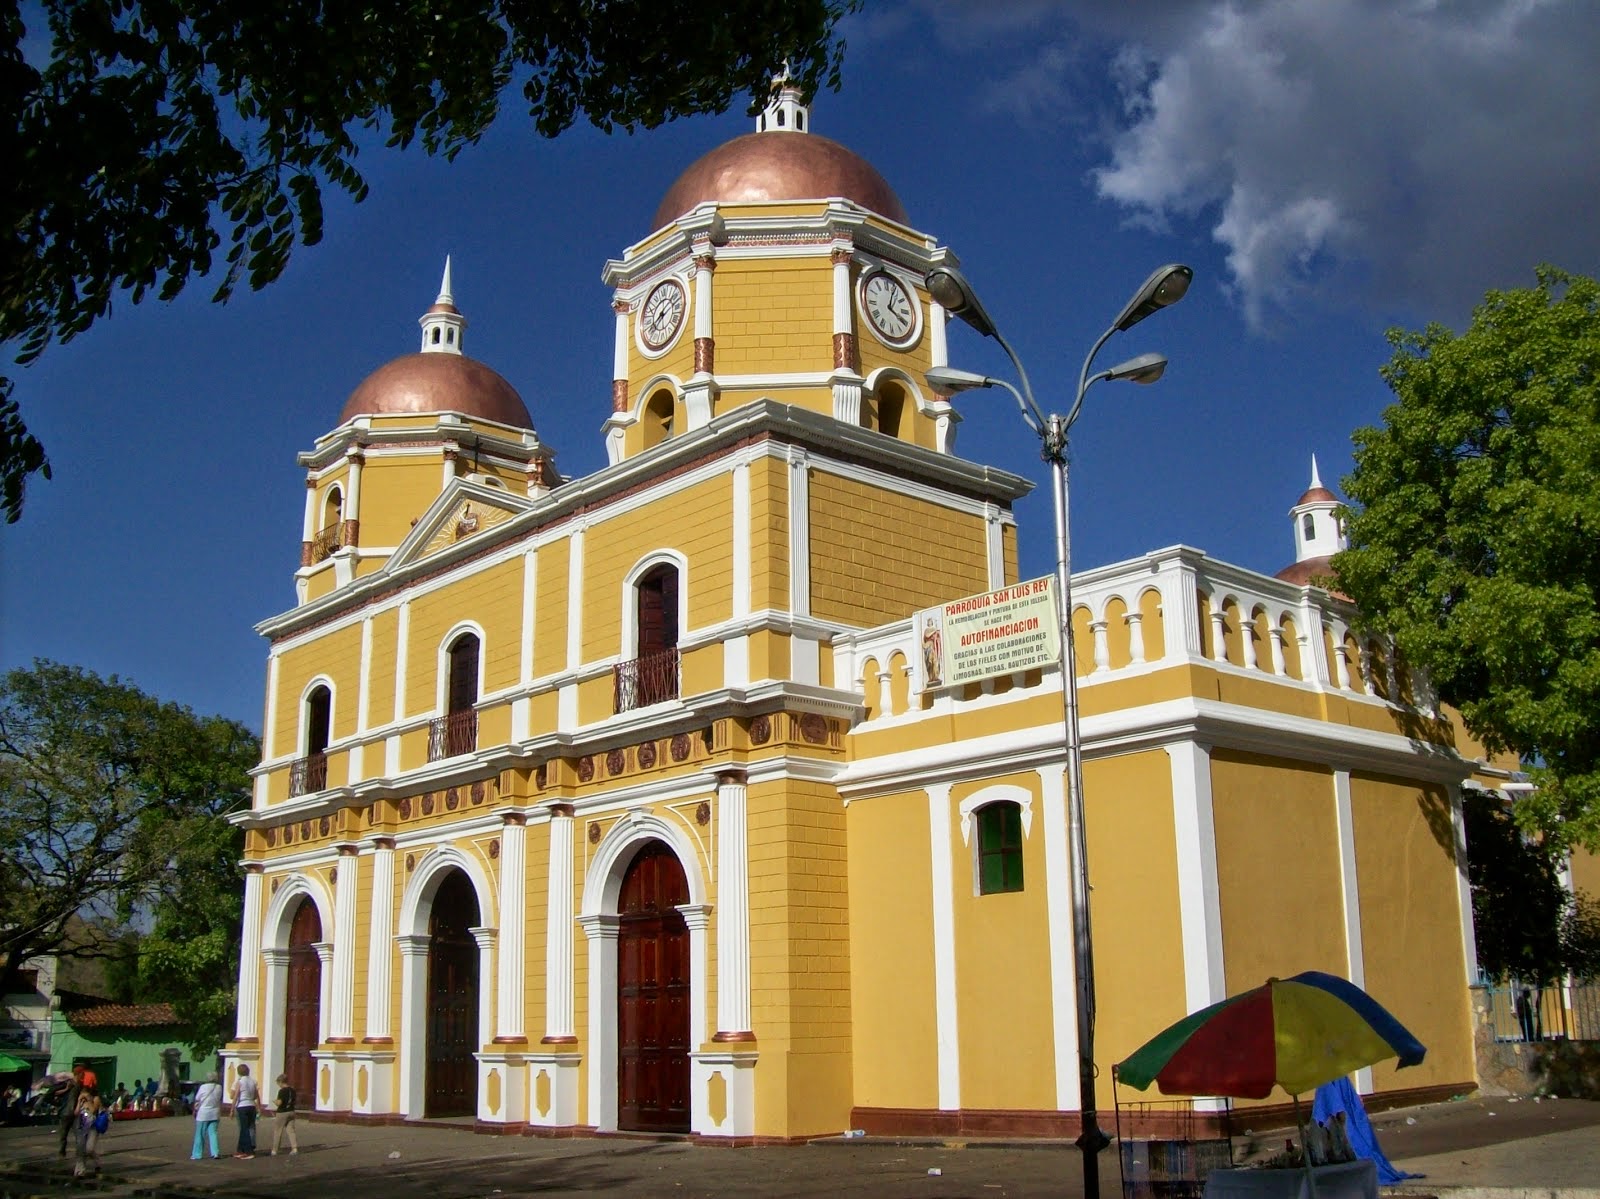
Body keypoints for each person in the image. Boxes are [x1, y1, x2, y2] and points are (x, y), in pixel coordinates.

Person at [190, 1072, 222, 1160]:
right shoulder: (219, 1087)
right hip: (215, 1112)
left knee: (200, 1134)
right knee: (213, 1134)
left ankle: (197, 1154)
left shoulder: (203, 1087)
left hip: (203, 1113)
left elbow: (197, 1098)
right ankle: (215, 1152)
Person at [73, 1090, 105, 1178]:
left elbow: (93, 1110)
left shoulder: (95, 1099)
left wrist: (89, 1100)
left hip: (93, 1127)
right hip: (82, 1128)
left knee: (89, 1149)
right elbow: (76, 1113)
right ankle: (80, 1171)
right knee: (81, 1150)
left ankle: (98, 1163)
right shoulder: (82, 1102)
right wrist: (79, 1102)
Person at [55, 1065, 85, 1157]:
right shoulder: (68, 1083)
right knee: (63, 1134)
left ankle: (79, 1152)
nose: (83, 1075)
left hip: (75, 1112)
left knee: (78, 1134)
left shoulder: (80, 1085)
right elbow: (56, 1093)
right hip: (66, 1112)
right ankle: (62, 1152)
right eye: (82, 1074)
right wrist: (66, 1089)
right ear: (78, 1074)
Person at [231, 1063, 260, 1158]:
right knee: (249, 1127)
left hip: (242, 1106)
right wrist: (258, 1107)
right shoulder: (253, 1081)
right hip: (252, 1106)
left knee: (244, 1129)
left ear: (239, 1072)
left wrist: (232, 1109)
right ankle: (240, 1150)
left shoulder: (240, 1082)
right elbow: (256, 1095)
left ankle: (248, 1151)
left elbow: (235, 1096)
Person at [269, 1072, 299, 1156]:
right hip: (291, 1111)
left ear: (281, 1082)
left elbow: (279, 1103)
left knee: (278, 1131)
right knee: (291, 1131)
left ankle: (275, 1150)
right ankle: (294, 1148)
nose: (278, 1085)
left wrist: (274, 1101)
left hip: (282, 1112)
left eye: (278, 1083)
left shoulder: (282, 1091)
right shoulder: (293, 1090)